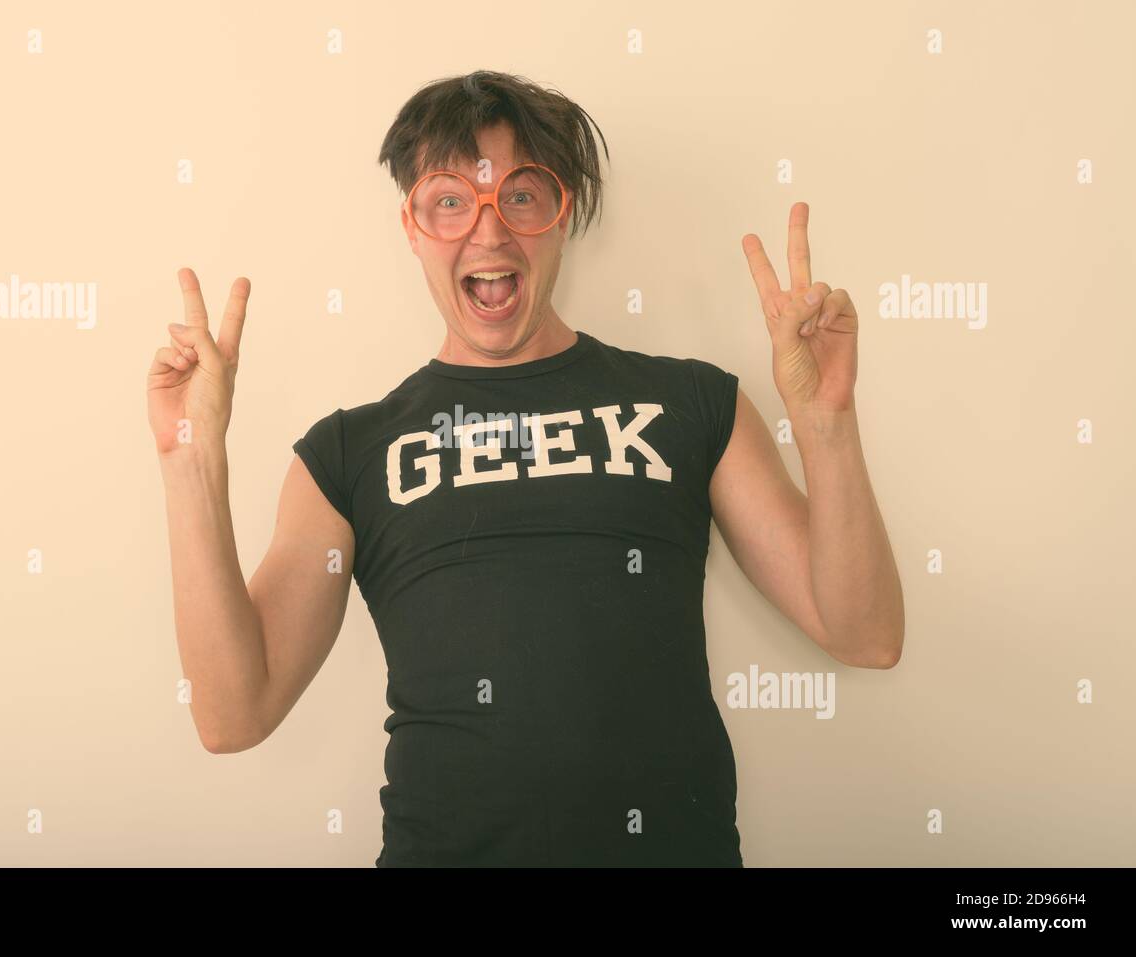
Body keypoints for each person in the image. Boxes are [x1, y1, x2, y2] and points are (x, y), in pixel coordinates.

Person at [146, 70, 904, 867]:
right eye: (450, 199)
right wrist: (188, 461)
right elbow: (233, 716)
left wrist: (827, 423)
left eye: (522, 195)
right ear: (410, 224)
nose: (489, 232)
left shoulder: (691, 404)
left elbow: (866, 633)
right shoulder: (347, 455)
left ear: (563, 212)